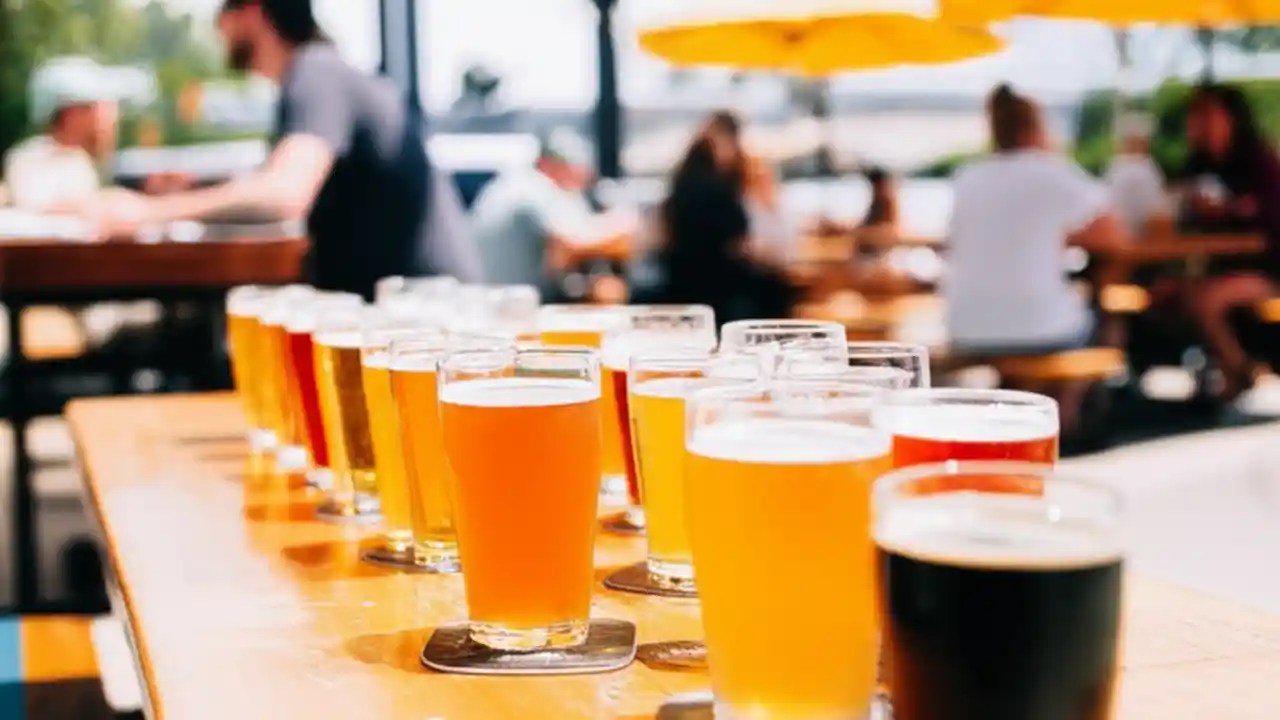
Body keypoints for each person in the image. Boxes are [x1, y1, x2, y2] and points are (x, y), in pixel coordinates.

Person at [85, 0, 479, 298]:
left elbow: (284, 193)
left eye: (221, 14)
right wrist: (195, 188)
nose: (217, 30)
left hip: (422, 325)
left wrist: (147, 213)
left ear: (252, 11)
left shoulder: (316, 72)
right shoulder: (322, 72)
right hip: (404, 311)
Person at [946, 84, 1129, 354]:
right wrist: (1066, 236)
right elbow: (1115, 238)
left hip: (966, 328)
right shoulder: (1053, 172)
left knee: (1025, 334)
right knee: (1102, 328)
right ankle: (1068, 397)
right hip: (1040, 328)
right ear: (1037, 128)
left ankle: (1018, 391)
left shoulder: (968, 177)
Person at [1178, 84, 1280, 400]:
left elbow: (1269, 225)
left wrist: (1230, 212)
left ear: (1232, 118)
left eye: (1207, 113)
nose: (1198, 122)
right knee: (1170, 293)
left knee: (1205, 299)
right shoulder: (1198, 166)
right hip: (1220, 266)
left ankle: (1237, 369)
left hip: (1269, 271)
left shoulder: (1260, 163)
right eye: (1195, 114)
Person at [655, 121, 798, 323]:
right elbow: (738, 244)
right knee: (779, 291)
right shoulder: (716, 190)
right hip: (720, 291)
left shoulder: (683, 186)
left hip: (684, 286)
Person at [470, 129, 633, 298]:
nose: (582, 176)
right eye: (573, 168)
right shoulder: (535, 186)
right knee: (608, 291)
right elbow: (571, 245)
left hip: (496, 295)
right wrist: (627, 231)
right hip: (513, 303)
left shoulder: (514, 181)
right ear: (547, 164)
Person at [1, 60, 119, 212]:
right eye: (97, 108)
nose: (110, 119)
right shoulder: (31, 161)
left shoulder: (79, 161)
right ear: (72, 114)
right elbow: (40, 212)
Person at [1105, 112, 1171, 237]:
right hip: (1142, 243)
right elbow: (1158, 213)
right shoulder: (1145, 167)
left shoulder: (1114, 167)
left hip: (1117, 239)